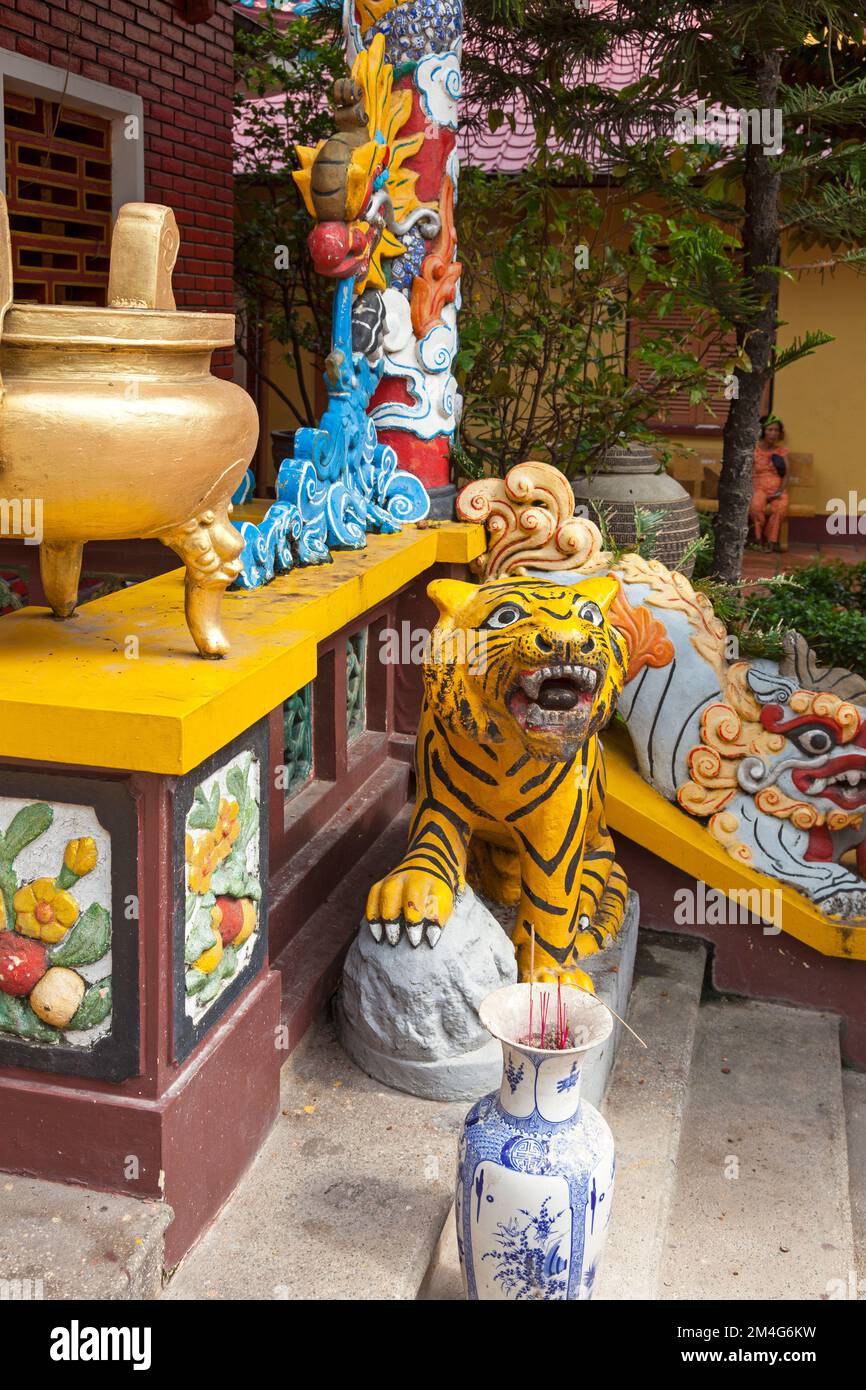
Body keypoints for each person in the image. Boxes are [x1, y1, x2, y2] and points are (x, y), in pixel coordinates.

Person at [749, 416, 789, 551]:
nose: (773, 433)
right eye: (770, 430)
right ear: (762, 431)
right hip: (758, 487)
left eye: (776, 430)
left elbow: (786, 475)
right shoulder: (754, 450)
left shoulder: (781, 452)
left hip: (777, 488)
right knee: (756, 507)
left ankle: (772, 541)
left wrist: (779, 491)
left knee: (780, 507)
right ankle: (758, 538)